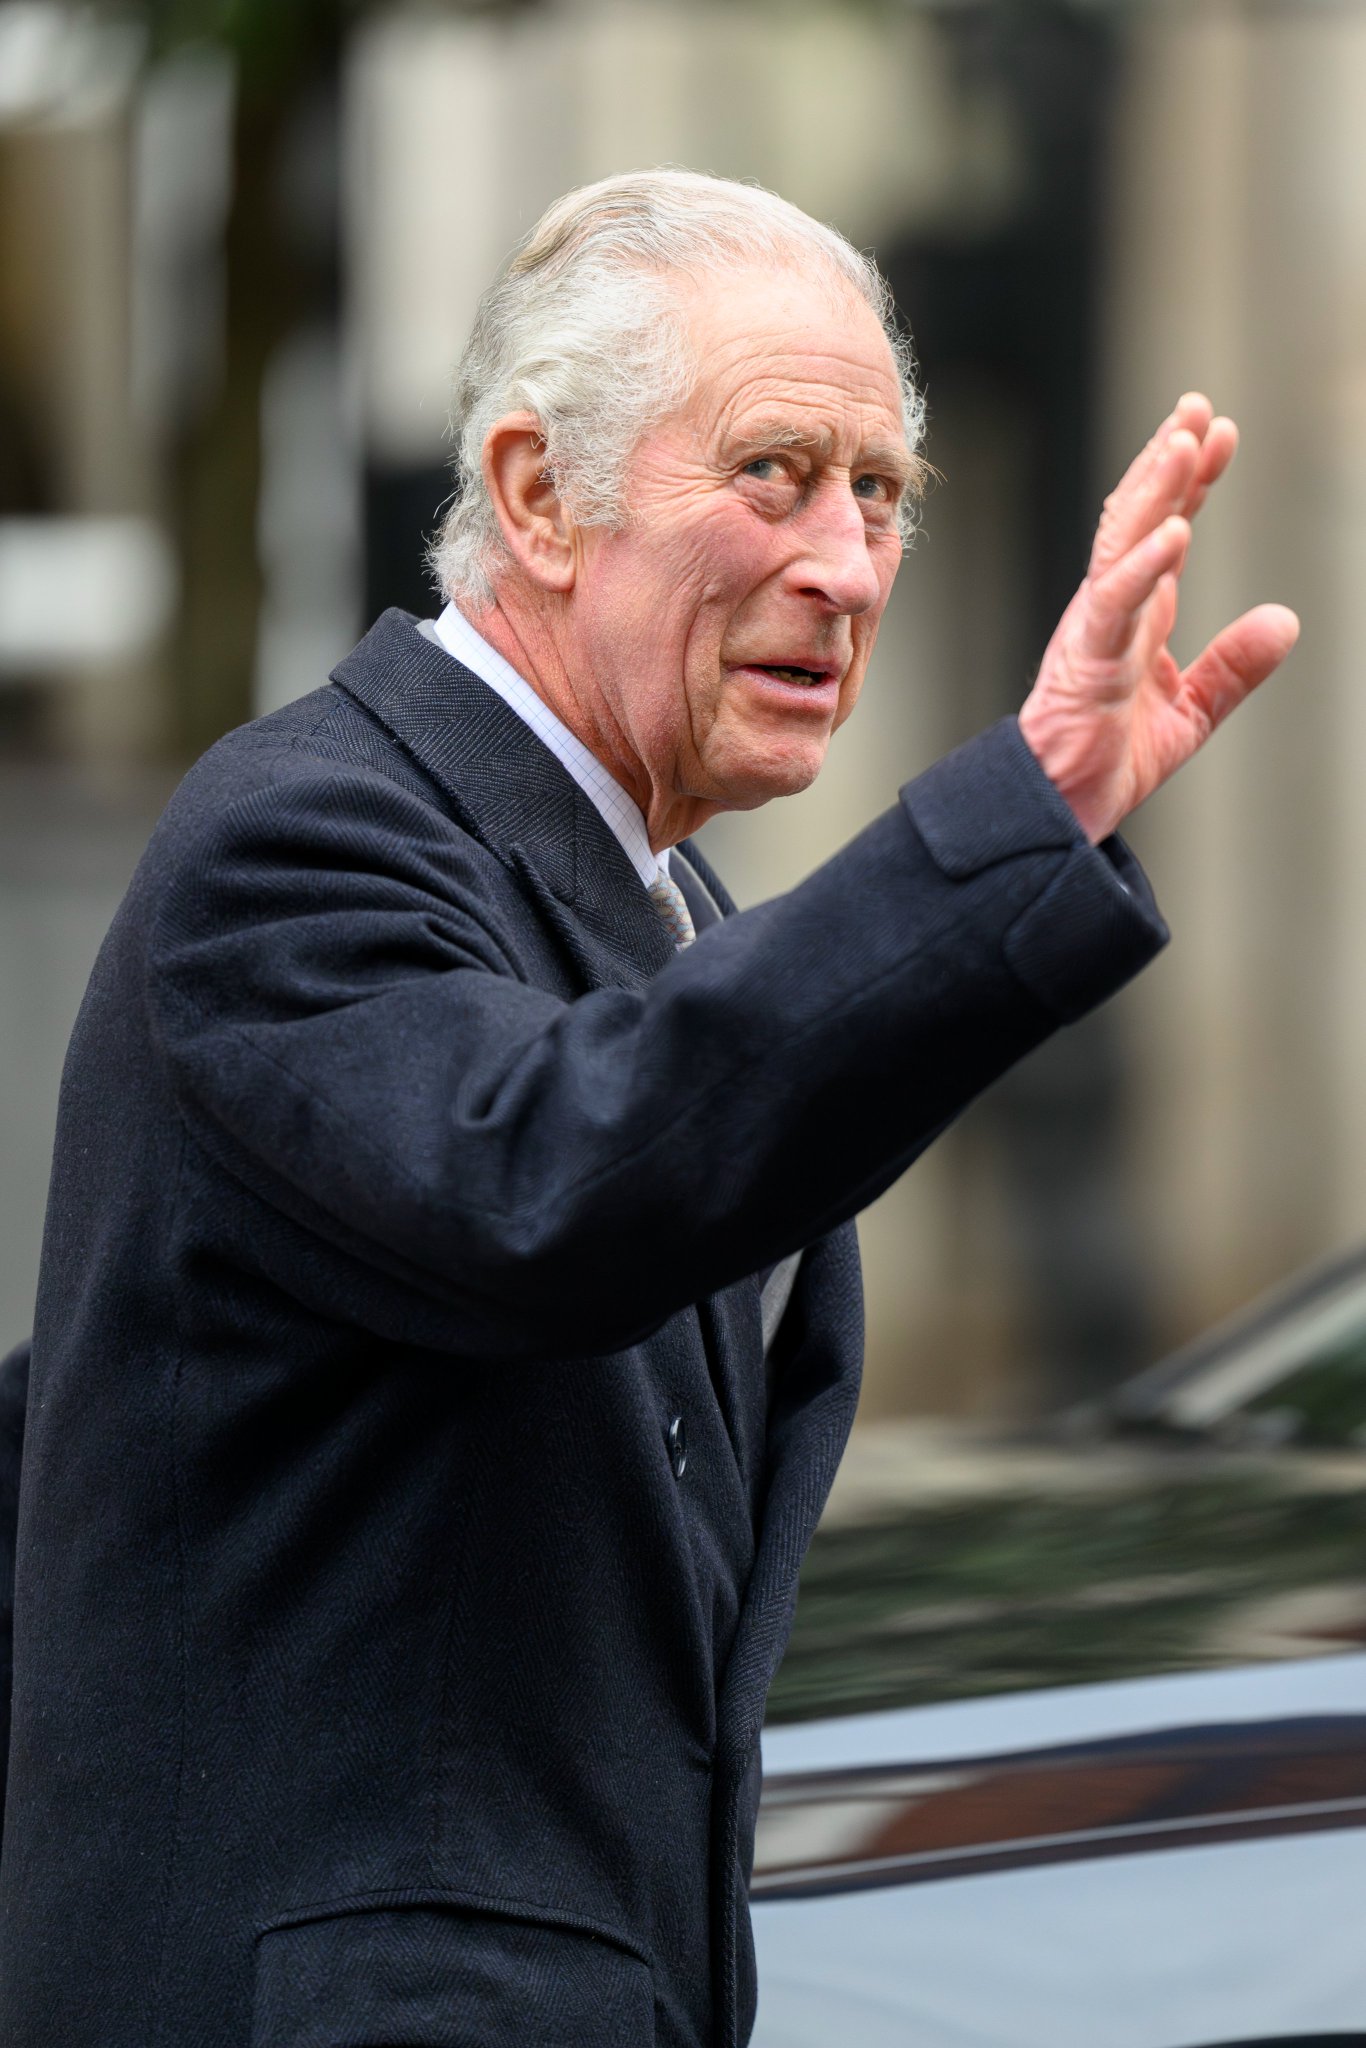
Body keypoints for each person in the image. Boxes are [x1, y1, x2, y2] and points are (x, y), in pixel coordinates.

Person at [0, 171, 1297, 2048]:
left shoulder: (670, 909)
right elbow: (557, 1174)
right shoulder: (299, 835)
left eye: (880, 496)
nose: (845, 567)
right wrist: (1012, 818)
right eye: (773, 474)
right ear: (536, 497)